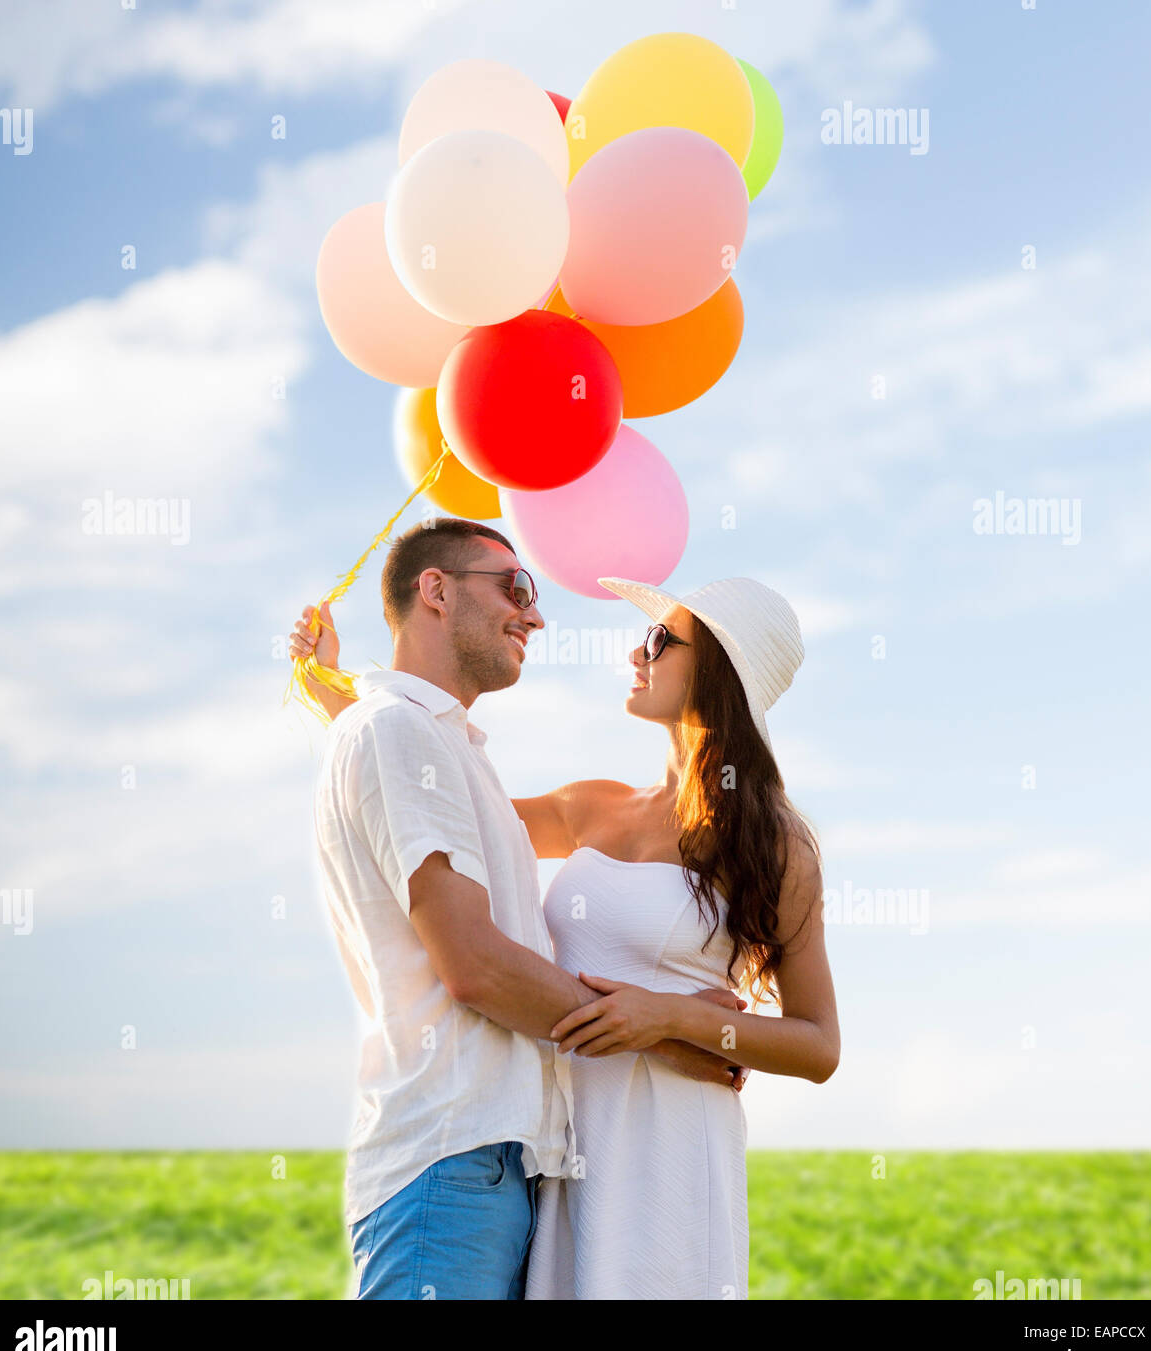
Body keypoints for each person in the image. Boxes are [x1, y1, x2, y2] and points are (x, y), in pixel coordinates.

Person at [294, 528, 840, 1299]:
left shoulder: (774, 844)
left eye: (660, 638)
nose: (636, 654)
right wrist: (337, 694)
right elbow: (438, 794)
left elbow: (817, 1043)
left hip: (668, 1142)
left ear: (719, 674)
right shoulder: (593, 806)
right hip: (556, 1141)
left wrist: (676, 1021)